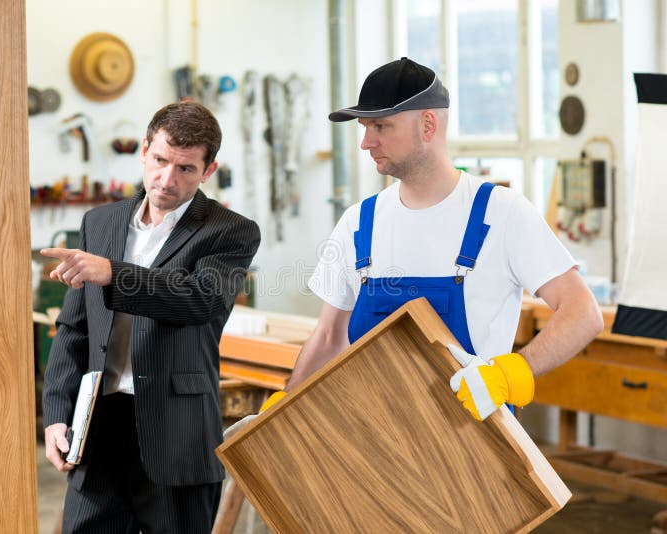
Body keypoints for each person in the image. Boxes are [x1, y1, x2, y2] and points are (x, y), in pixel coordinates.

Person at [229, 57, 603, 435]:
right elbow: (329, 337)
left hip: (473, 449)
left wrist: (508, 375)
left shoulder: (501, 214)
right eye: (364, 127)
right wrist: (283, 411)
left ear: (428, 124)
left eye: (380, 126)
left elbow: (583, 312)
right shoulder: (359, 223)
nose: (365, 142)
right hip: (377, 447)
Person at [41, 101, 260, 533]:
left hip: (176, 431)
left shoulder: (230, 230)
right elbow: (74, 328)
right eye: (160, 161)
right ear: (144, 150)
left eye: (186, 169)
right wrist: (55, 412)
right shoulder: (100, 223)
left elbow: (198, 299)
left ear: (208, 170)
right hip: (98, 424)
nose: (167, 179)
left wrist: (112, 273)